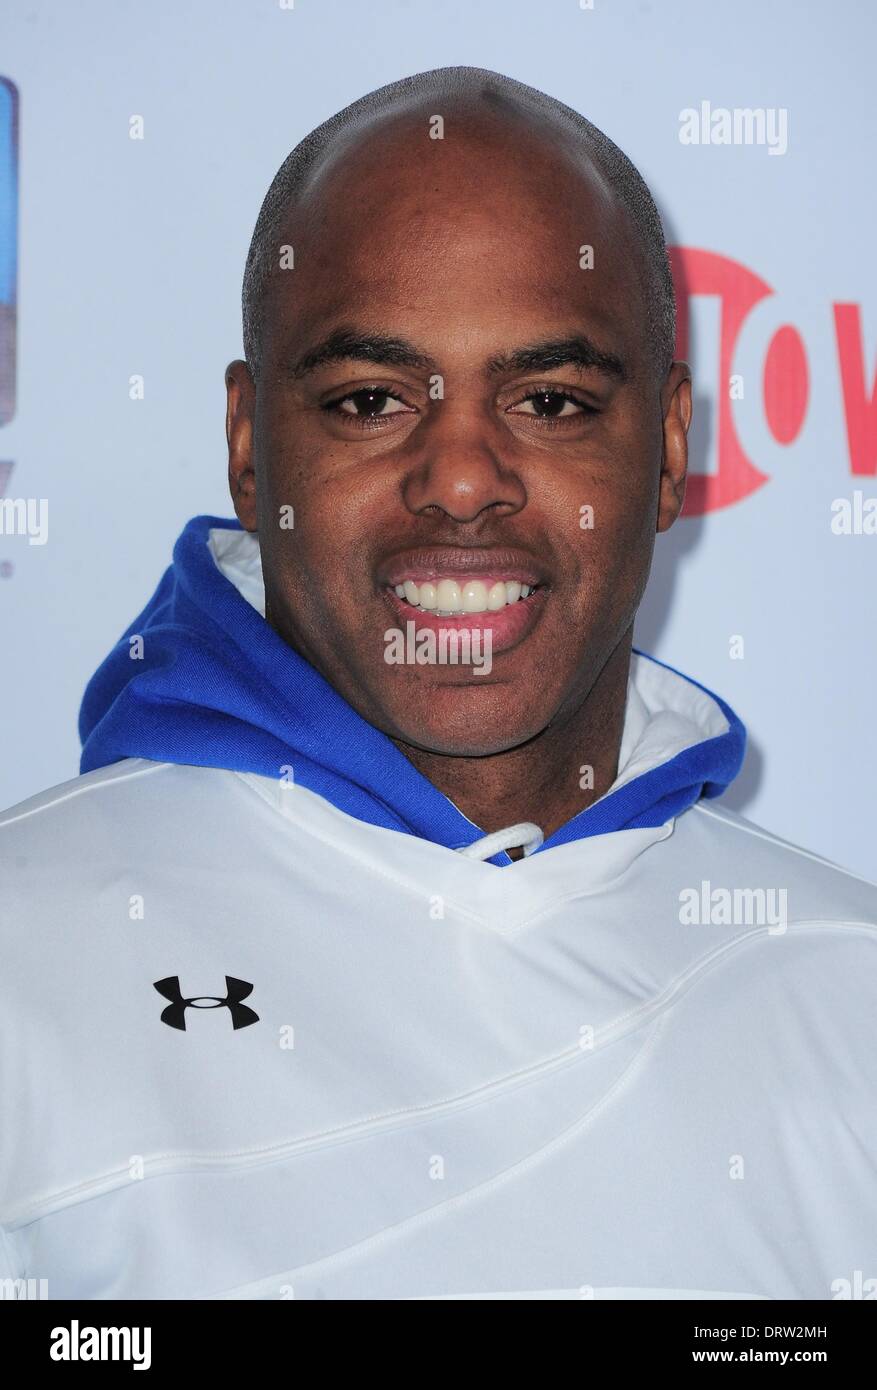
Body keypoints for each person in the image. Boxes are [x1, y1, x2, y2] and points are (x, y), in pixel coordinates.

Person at [1, 66, 875, 1302]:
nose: (461, 479)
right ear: (251, 449)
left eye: (549, 400)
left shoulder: (847, 978)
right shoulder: (20, 956)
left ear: (670, 451)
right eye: (370, 399)